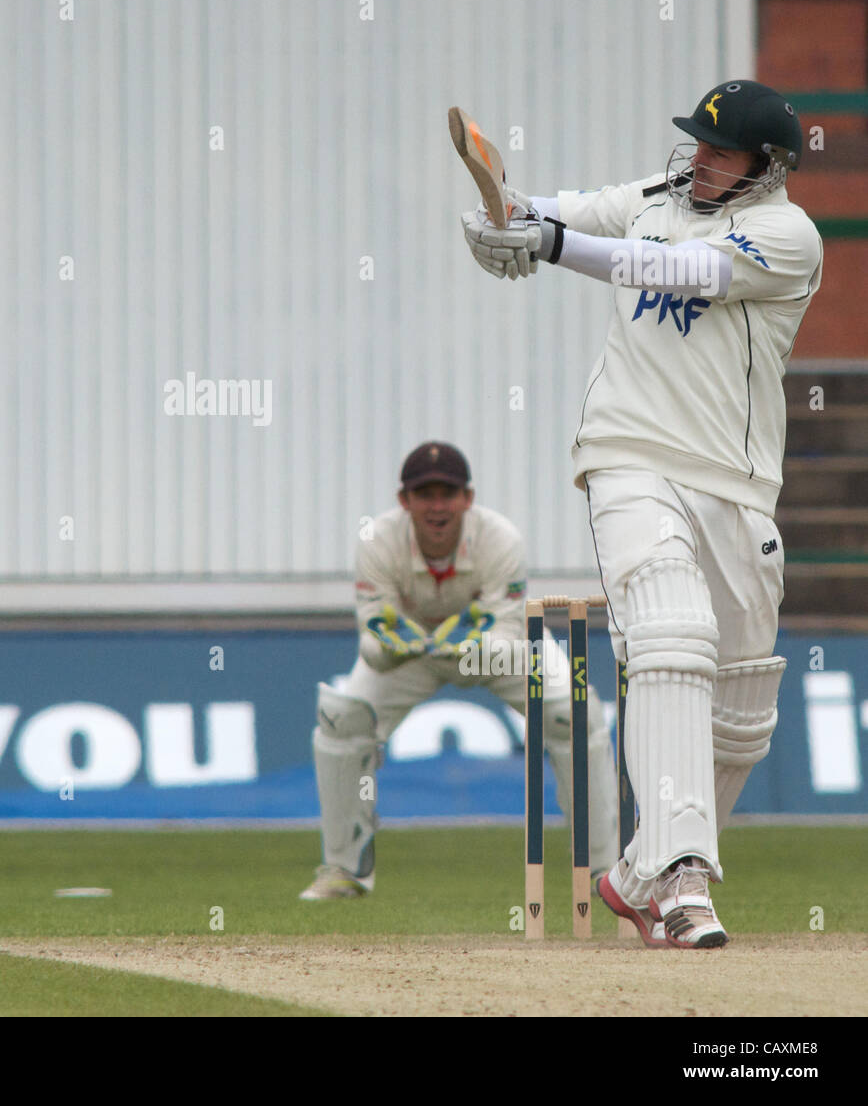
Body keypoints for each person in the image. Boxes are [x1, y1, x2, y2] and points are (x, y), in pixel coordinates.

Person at [460, 79, 821, 947]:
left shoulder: (789, 236)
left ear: (765, 169)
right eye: (696, 142)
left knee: (739, 714)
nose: (698, 160)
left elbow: (673, 270)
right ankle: (685, 879)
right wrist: (505, 224)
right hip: (627, 455)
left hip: (734, 482)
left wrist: (548, 244)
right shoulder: (654, 200)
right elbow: (552, 209)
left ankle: (633, 874)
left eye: (720, 151)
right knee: (669, 632)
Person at [299, 440, 619, 900]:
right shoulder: (377, 541)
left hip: (493, 650)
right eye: (424, 494)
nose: (436, 506)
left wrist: (464, 642)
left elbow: (508, 632)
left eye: (447, 494)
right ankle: (344, 871)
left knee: (575, 714)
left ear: (467, 499)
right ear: (403, 501)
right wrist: (392, 645)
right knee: (342, 719)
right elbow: (372, 640)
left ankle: (605, 872)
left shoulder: (500, 538)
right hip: (415, 654)